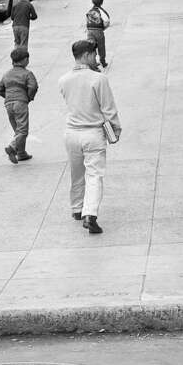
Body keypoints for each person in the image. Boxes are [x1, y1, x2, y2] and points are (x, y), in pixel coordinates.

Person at [58, 39, 122, 234]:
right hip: (92, 133)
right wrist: (115, 130)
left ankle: (77, 208)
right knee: (94, 175)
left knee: (76, 173)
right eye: (94, 55)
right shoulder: (98, 79)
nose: (95, 58)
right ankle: (90, 214)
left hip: (71, 133)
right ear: (86, 55)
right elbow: (108, 108)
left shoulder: (63, 80)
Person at [0, 47, 38, 164]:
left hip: (8, 105)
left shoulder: (7, 74)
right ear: (25, 60)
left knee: (18, 129)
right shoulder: (27, 74)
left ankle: (21, 153)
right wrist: (28, 97)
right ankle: (11, 147)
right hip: (21, 103)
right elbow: (33, 87)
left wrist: (9, 97)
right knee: (23, 131)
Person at [84, 0, 111, 69]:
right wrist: (103, 28)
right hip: (98, 31)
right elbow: (107, 21)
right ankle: (103, 62)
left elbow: (87, 20)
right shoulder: (101, 11)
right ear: (102, 2)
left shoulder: (90, 11)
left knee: (91, 47)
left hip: (89, 31)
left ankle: (93, 63)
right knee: (101, 47)